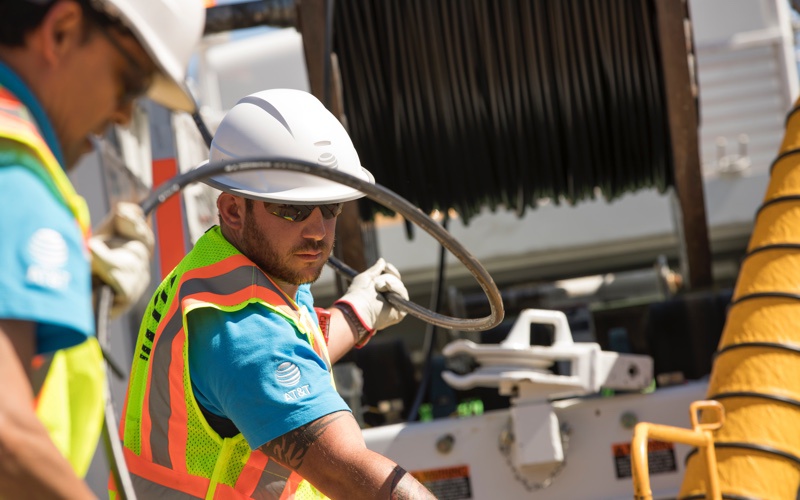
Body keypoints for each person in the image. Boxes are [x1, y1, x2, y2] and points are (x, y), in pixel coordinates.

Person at [118, 88, 436, 499]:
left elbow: (291, 346)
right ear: (233, 209)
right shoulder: (240, 331)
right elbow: (353, 476)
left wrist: (357, 314)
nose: (318, 231)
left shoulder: (232, 269)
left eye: (331, 207)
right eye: (292, 209)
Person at [0, 0, 205, 497]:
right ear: (63, 30)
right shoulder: (17, 175)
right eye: (130, 80)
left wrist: (75, 279)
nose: (122, 113)